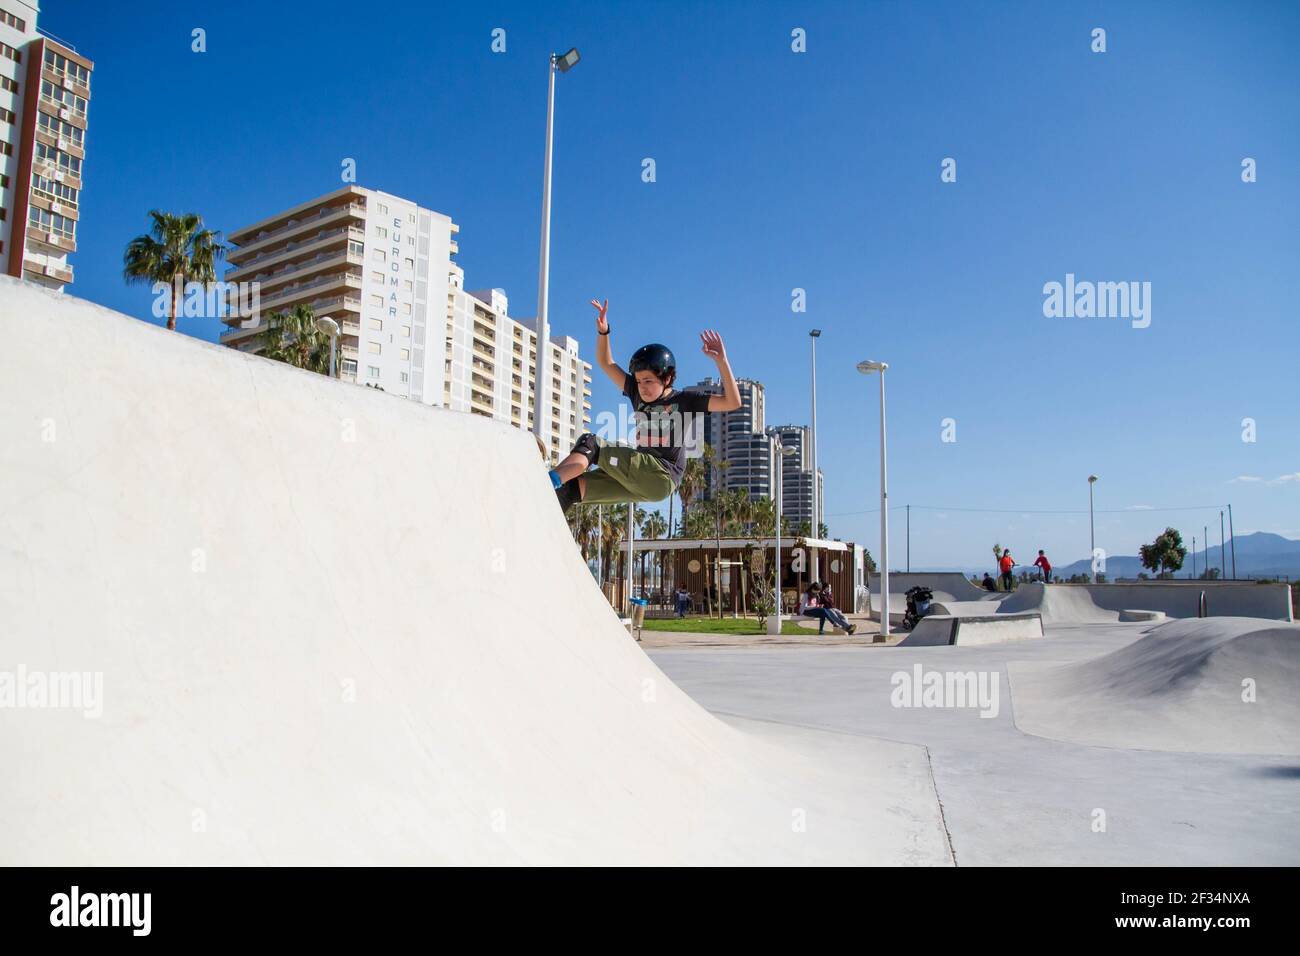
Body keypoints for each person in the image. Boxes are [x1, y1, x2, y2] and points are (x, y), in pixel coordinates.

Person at [551, 299, 742, 516]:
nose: (643, 388)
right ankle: (548, 505)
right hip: (640, 478)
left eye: (649, 381)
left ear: (668, 378)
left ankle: (549, 480)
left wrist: (722, 362)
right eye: (639, 381)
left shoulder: (686, 401)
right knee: (573, 489)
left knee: (591, 443)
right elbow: (606, 363)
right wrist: (603, 333)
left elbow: (732, 402)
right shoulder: (635, 391)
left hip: (660, 475)